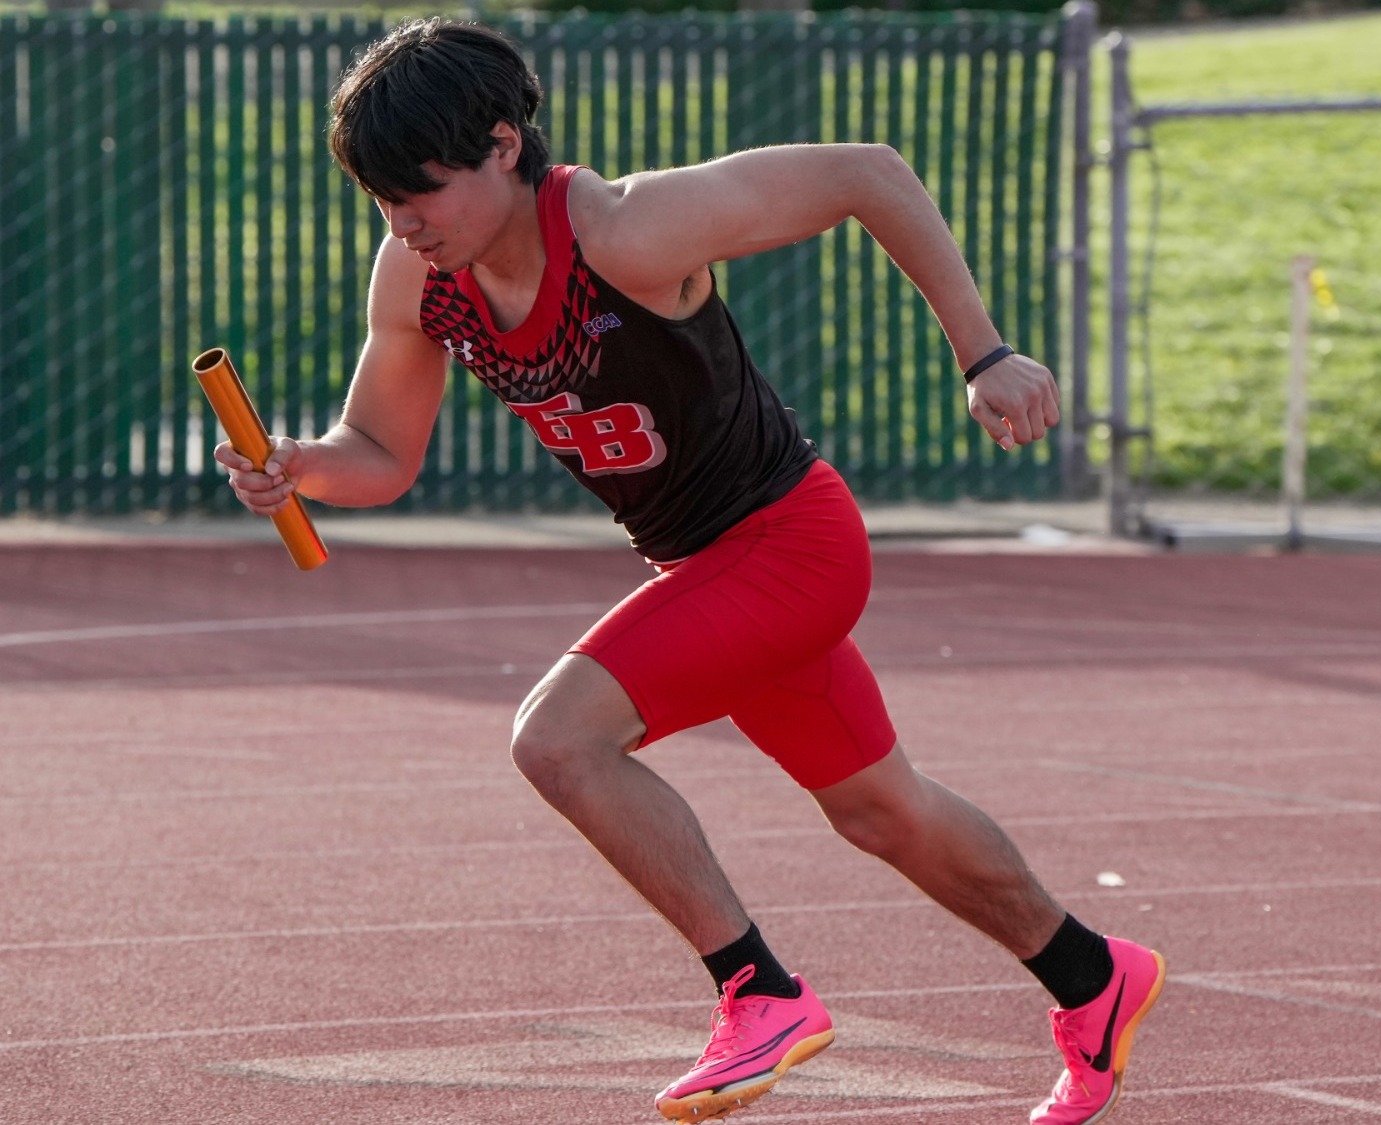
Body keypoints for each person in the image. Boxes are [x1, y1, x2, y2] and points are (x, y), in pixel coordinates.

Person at [214, 19, 1164, 1125]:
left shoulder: (625, 229)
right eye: (382, 200)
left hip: (790, 545)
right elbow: (380, 453)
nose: (401, 222)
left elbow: (868, 173)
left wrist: (984, 353)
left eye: (419, 192)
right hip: (708, 567)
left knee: (558, 740)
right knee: (881, 811)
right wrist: (300, 465)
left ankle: (759, 992)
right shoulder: (421, 278)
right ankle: (1091, 976)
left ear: (503, 145)